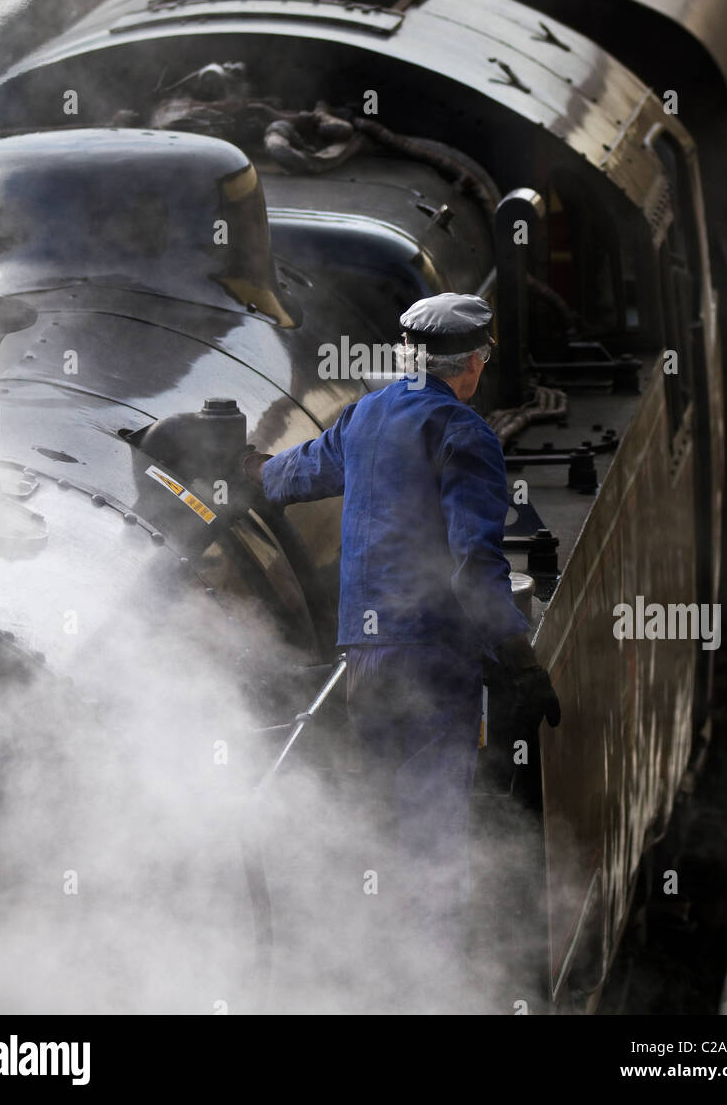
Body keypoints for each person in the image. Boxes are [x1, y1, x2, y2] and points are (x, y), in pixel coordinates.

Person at [243, 292, 560, 1001]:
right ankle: (431, 993)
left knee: (378, 831)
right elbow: (474, 562)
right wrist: (518, 656)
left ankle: (369, 985)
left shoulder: (366, 416)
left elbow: (291, 477)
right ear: (474, 363)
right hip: (430, 661)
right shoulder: (463, 432)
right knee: (432, 839)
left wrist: (244, 468)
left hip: (363, 661)